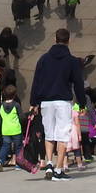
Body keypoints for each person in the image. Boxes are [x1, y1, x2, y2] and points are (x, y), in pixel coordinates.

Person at [29, 28, 87, 180]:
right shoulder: (72, 61)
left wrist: (33, 102)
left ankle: (49, 163)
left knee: (49, 133)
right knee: (62, 135)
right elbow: (78, 84)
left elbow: (36, 82)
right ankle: (59, 170)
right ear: (68, 41)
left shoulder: (43, 59)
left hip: (46, 102)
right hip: (62, 101)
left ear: (55, 39)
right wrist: (82, 103)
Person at [0, 85, 26, 171]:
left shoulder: (1, 106)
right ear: (14, 95)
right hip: (16, 129)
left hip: (5, 129)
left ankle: (0, 161)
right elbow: (21, 117)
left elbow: (0, 117)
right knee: (18, 147)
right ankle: (18, 164)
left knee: (5, 146)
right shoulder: (16, 105)